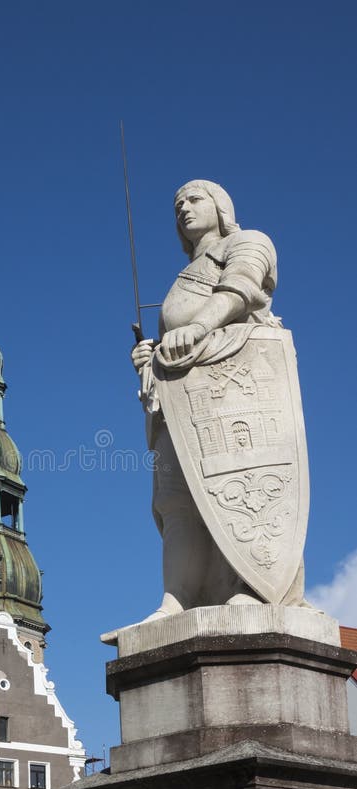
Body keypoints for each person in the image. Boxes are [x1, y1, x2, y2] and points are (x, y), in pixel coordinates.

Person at [131, 180, 304, 616]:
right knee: (175, 499)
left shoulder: (248, 241)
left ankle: (257, 584)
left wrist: (199, 327)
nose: (184, 209)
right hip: (183, 395)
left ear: (221, 206)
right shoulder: (183, 274)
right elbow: (174, 339)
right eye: (177, 205)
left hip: (234, 383)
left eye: (194, 199)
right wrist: (150, 358)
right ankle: (178, 598)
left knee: (245, 487)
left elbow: (241, 288)